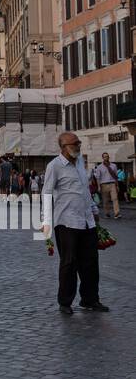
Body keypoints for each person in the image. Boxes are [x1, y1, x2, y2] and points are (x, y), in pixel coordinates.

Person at [42, 132, 109, 314]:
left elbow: (85, 190)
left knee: (91, 262)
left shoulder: (80, 163)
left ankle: (90, 299)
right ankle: (65, 302)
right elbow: (47, 193)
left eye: (78, 143)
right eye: (74, 143)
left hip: (86, 221)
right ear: (63, 147)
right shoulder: (54, 166)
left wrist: (94, 210)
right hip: (66, 221)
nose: (78, 146)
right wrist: (46, 220)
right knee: (69, 263)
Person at [92, 152, 121, 221]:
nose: (106, 158)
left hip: (112, 184)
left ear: (109, 157)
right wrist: (99, 187)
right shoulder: (99, 167)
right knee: (105, 200)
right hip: (104, 185)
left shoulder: (113, 166)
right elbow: (98, 178)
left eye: (107, 156)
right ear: (103, 158)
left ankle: (117, 213)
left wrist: (117, 185)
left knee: (115, 198)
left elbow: (115, 177)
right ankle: (107, 213)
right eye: (105, 157)